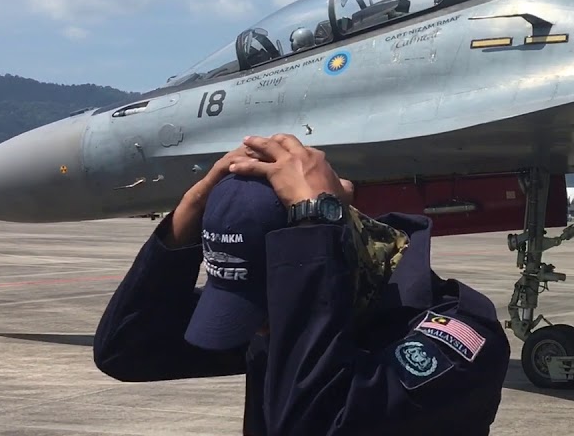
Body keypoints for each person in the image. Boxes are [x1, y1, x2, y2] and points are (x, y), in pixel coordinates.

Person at [92, 133, 510, 435]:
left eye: (265, 312)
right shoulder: (279, 319)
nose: (258, 331)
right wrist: (192, 211)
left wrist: (315, 225)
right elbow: (127, 350)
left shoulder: (460, 343)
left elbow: (315, 422)